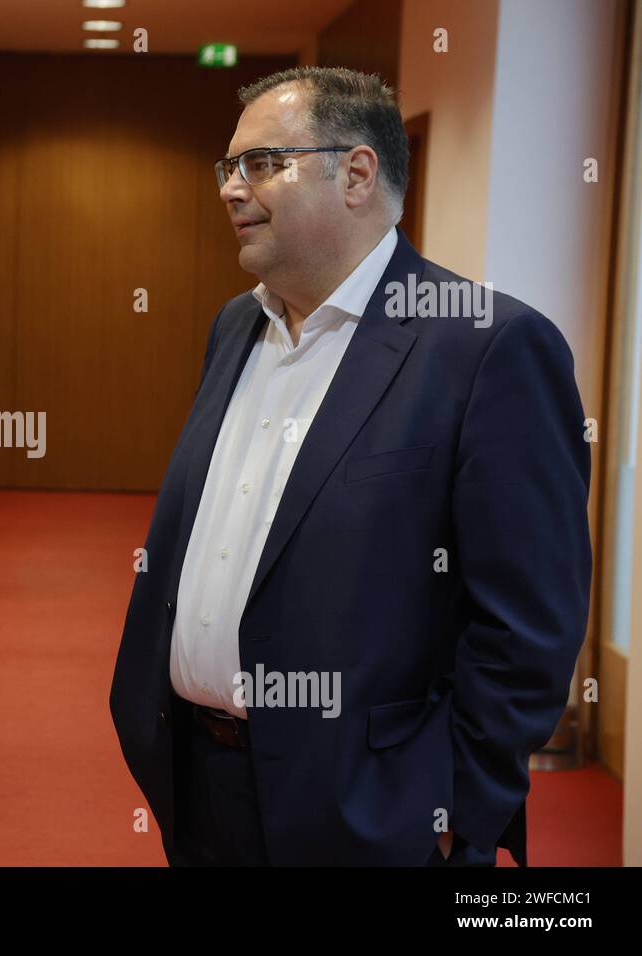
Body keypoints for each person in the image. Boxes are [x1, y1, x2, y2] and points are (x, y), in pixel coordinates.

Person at [109, 66, 591, 866]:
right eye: (227, 168)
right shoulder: (237, 325)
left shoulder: (486, 347)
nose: (231, 189)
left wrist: (448, 810)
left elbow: (529, 629)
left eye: (261, 163)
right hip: (199, 783)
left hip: (369, 812)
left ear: (357, 174)